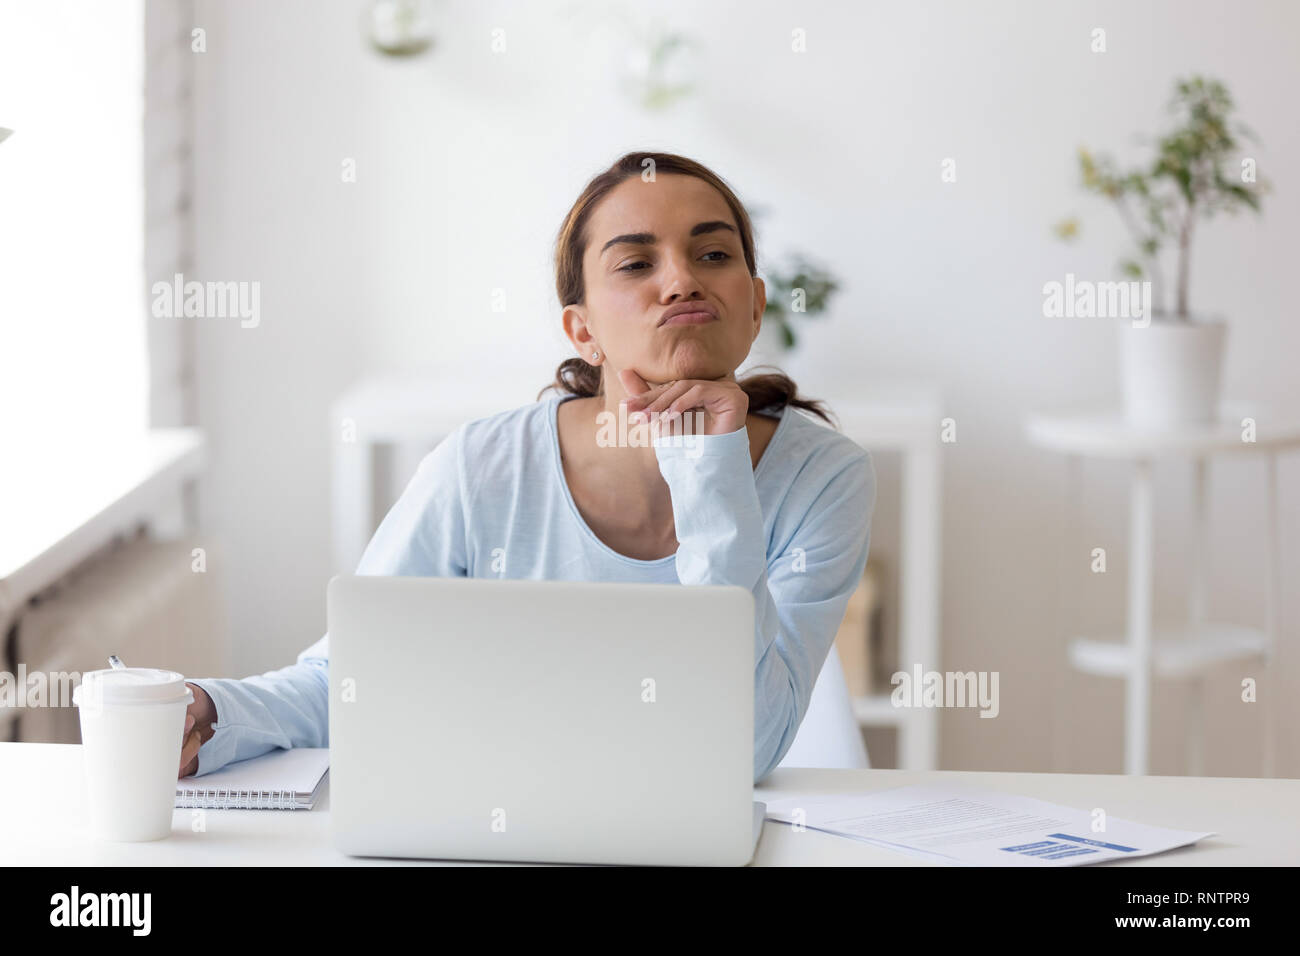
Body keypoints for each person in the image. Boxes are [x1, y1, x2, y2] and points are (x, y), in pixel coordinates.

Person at [179, 150, 876, 785]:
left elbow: (742, 750)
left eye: (713, 253)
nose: (681, 281)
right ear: (583, 331)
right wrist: (211, 711)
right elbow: (356, 675)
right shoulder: (480, 468)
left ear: (754, 308)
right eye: (636, 264)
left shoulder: (824, 479)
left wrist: (710, 462)